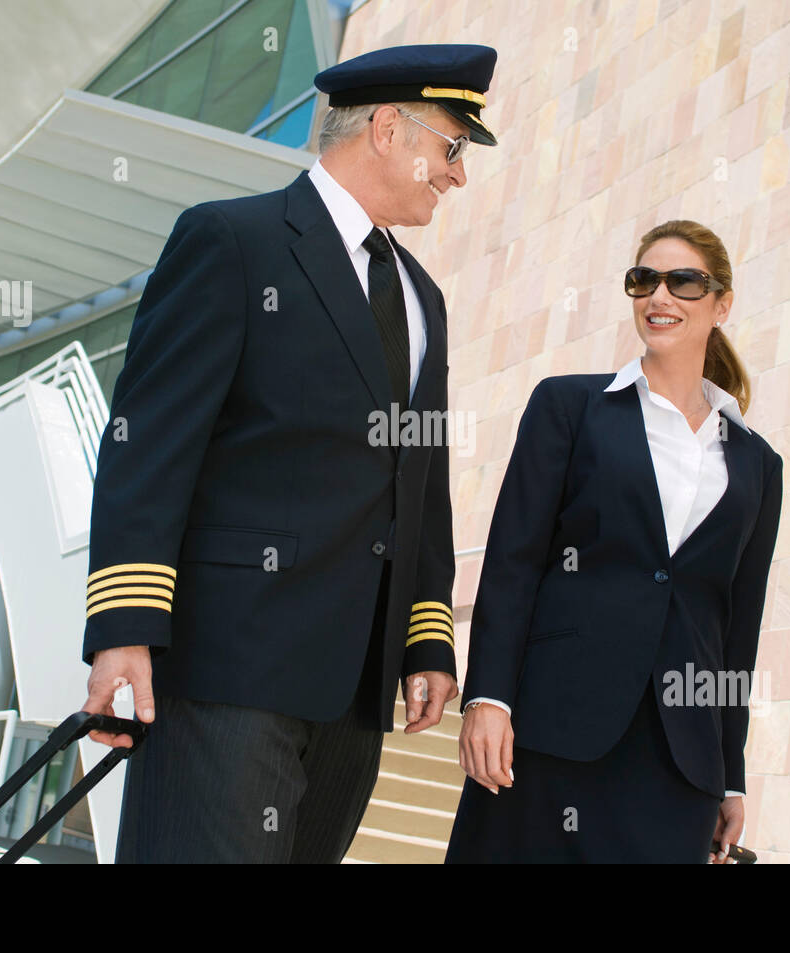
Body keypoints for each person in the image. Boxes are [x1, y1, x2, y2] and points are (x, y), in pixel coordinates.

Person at [78, 43, 500, 863]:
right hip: (229, 672)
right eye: (452, 147)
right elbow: (149, 442)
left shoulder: (424, 298)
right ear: (387, 129)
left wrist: (426, 637)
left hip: (353, 694)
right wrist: (124, 625)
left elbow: (421, 483)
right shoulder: (233, 241)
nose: (457, 174)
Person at [446, 219, 784, 863]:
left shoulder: (757, 464)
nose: (660, 296)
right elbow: (514, 561)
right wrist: (488, 697)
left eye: (683, 282)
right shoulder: (569, 407)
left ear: (721, 305)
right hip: (551, 729)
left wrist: (730, 774)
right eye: (644, 280)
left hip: (680, 761)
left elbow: (738, 627)